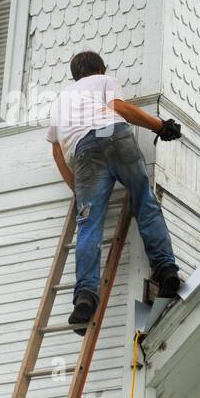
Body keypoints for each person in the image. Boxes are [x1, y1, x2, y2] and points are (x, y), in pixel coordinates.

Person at [47, 51, 182, 331]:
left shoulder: (61, 101)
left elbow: (57, 150)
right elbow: (120, 108)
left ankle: (85, 297)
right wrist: (161, 126)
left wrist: (77, 189)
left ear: (74, 76)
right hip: (113, 135)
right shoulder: (104, 80)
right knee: (143, 199)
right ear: (99, 69)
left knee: (88, 224)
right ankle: (165, 269)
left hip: (82, 151)